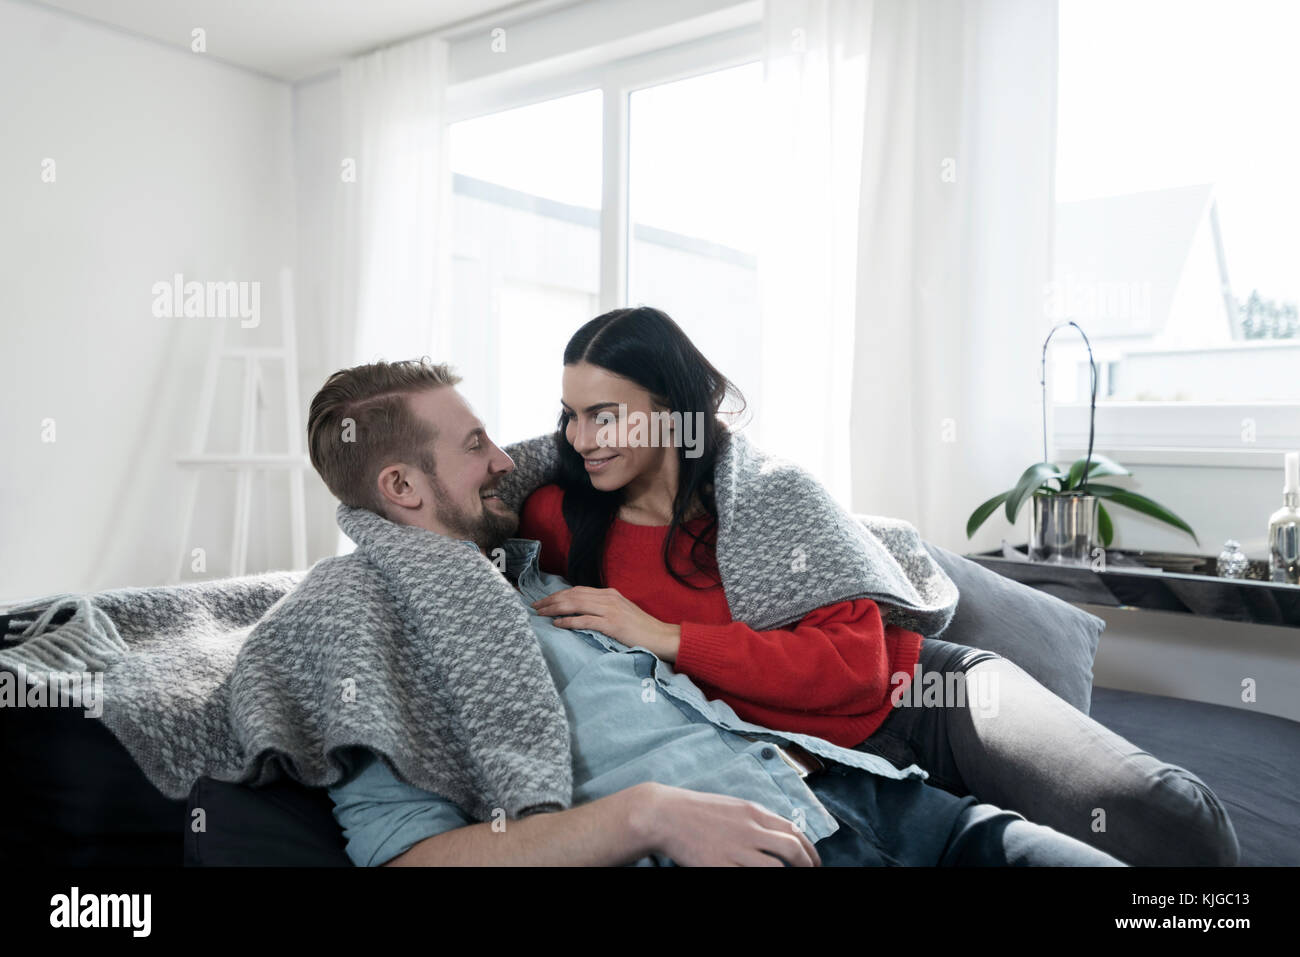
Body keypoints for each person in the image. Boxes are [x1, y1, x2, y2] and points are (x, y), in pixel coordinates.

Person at [310, 358, 1123, 866]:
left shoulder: (526, 562)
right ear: (402, 489)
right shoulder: (373, 626)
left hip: (880, 797)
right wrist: (645, 816)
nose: (504, 459)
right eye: (476, 443)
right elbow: (405, 853)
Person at [513, 305, 1239, 867]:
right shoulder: (567, 517)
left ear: (670, 410)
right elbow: (470, 475)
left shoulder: (769, 497)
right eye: (570, 415)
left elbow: (856, 668)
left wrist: (664, 635)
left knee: (1166, 817)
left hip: (925, 698)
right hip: (822, 763)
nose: (581, 439)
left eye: (604, 415)